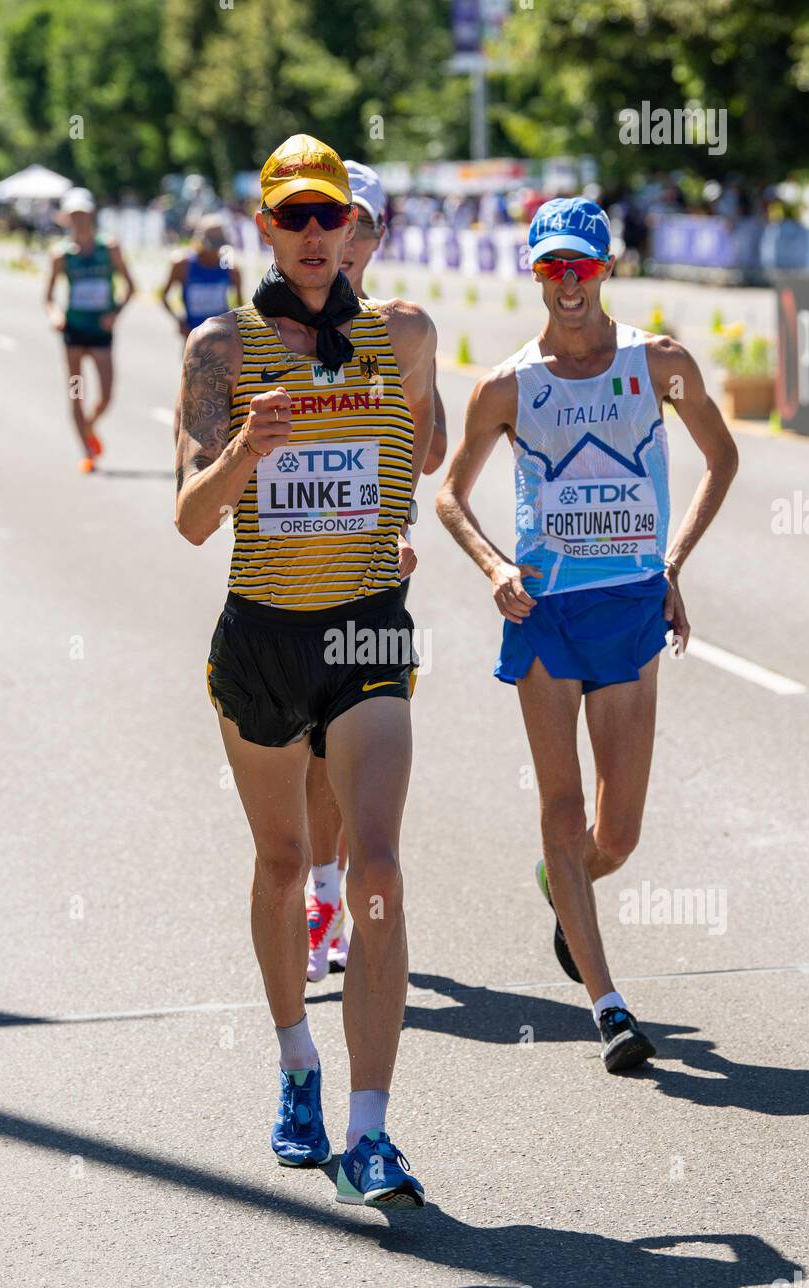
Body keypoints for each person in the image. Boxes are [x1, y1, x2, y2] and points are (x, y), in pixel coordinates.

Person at [174, 135, 438, 1207]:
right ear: (264, 228)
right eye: (294, 217)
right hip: (262, 640)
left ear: (356, 226)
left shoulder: (406, 333)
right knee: (284, 868)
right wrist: (246, 449)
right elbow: (191, 521)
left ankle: (369, 1131)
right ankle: (296, 1063)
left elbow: (418, 455)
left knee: (373, 868)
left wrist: (391, 521)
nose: (316, 235)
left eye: (332, 215)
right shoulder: (217, 350)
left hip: (367, 631)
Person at [436, 196, 737, 1074]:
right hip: (548, 616)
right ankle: (608, 1005)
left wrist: (672, 564)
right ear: (534, 275)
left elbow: (721, 457)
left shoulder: (659, 363)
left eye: (582, 267)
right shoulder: (505, 384)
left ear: (607, 270)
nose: (567, 284)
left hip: (630, 609)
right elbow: (449, 493)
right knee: (561, 811)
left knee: (618, 834)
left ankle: (562, 887)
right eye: (551, 268)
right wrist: (495, 567)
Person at [304, 159, 447, 983]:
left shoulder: (403, 331)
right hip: (292, 578)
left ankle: (356, 895)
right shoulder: (270, 327)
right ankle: (321, 885)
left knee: (358, 746)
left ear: (379, 235)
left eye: (361, 223)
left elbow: (429, 453)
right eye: (331, 220)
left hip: (377, 573)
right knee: (313, 755)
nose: (345, 237)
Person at [44, 188, 135, 473]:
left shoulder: (109, 248)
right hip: (73, 330)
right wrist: (56, 315)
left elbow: (131, 287)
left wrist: (115, 313)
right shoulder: (61, 253)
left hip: (100, 330)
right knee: (76, 392)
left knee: (107, 394)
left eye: (83, 214)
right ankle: (87, 452)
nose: (79, 220)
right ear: (66, 218)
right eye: (74, 215)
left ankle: (89, 425)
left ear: (92, 214)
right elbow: (48, 296)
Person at [160, 214, 243, 340]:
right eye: (212, 244)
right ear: (200, 240)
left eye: (219, 244)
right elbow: (164, 296)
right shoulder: (182, 265)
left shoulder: (231, 269)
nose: (215, 250)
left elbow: (240, 307)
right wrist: (179, 322)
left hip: (223, 340)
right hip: (193, 337)